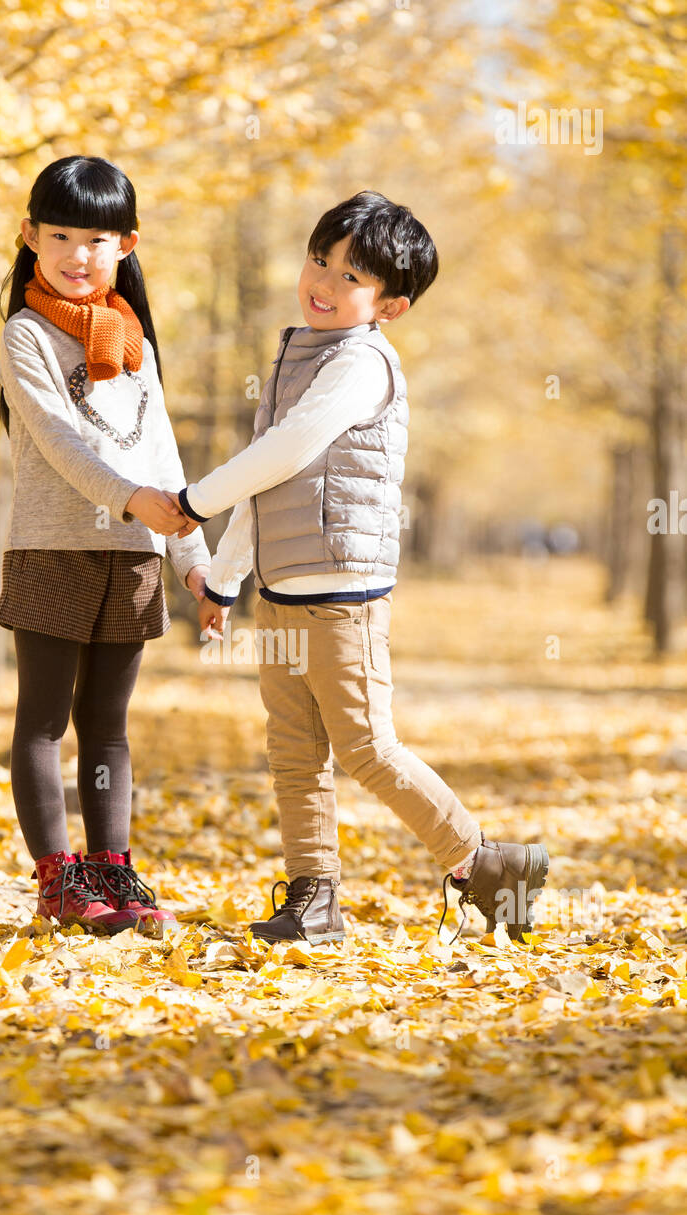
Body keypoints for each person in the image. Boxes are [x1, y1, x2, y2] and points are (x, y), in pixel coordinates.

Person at [175, 191, 548, 946]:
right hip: (280, 593)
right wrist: (223, 580)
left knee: (367, 748)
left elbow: (284, 451)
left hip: (344, 595)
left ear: (391, 305)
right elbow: (267, 482)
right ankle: (314, 900)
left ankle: (486, 864)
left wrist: (192, 500)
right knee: (294, 755)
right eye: (320, 260)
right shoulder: (292, 360)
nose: (324, 282)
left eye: (351, 277)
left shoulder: (363, 363)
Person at [0, 155, 206, 933]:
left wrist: (194, 562)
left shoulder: (136, 345)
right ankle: (59, 880)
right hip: (52, 548)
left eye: (96, 238)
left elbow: (164, 457)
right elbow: (56, 440)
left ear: (127, 244)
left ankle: (111, 873)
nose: (78, 256)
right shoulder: (26, 336)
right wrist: (130, 499)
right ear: (30, 237)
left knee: (109, 726)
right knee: (44, 720)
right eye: (60, 236)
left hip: (135, 557)